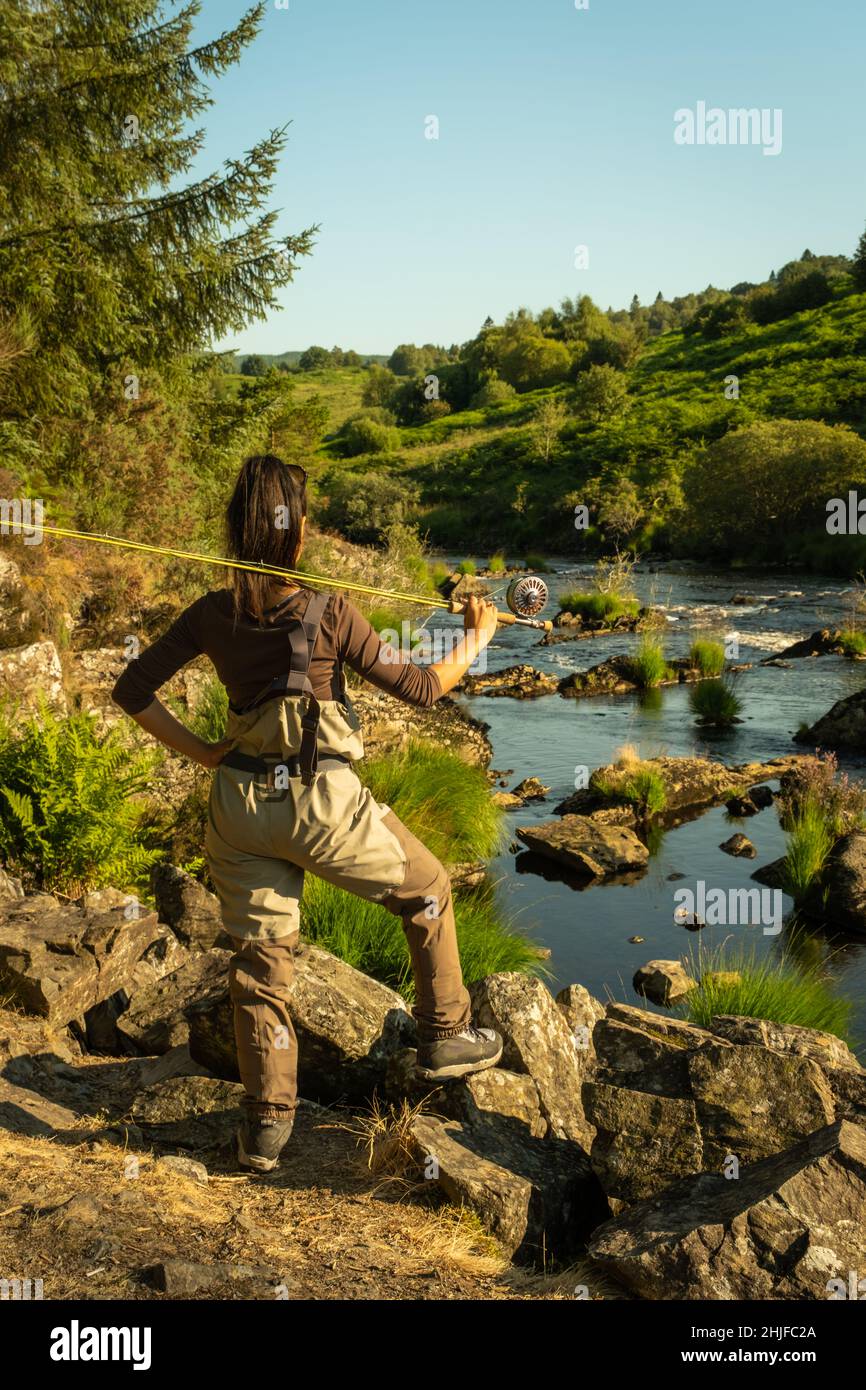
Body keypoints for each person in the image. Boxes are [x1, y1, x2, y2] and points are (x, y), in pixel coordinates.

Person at [111, 454, 503, 1173]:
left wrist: (204, 754)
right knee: (427, 889)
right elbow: (419, 687)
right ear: (295, 537)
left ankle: (265, 1130)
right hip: (322, 804)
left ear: (238, 531)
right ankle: (446, 1034)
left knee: (262, 967)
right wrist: (478, 636)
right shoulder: (329, 611)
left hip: (239, 808)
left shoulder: (209, 614)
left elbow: (132, 688)